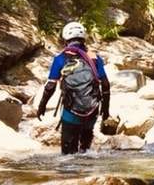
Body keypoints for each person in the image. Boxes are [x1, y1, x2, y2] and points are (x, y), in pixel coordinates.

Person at [37, 21, 111, 154]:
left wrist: (42, 105)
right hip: (92, 110)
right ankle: (87, 172)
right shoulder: (94, 57)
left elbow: (50, 86)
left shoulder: (61, 58)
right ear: (84, 38)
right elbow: (105, 84)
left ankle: (70, 174)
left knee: (68, 155)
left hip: (71, 111)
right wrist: (105, 110)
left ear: (65, 39)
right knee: (85, 153)